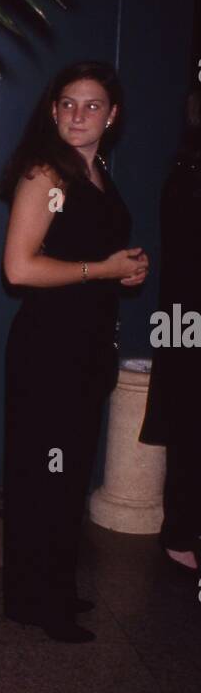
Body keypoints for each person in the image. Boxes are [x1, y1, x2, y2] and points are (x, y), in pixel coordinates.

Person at [0, 61, 148, 642]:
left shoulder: (95, 171)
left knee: (65, 475)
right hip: (49, 350)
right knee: (44, 476)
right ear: (52, 110)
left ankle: (51, 588)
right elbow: (18, 268)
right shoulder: (46, 175)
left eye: (91, 106)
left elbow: (86, 250)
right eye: (67, 103)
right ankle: (37, 600)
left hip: (83, 345)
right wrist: (100, 270)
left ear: (112, 117)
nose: (77, 115)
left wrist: (123, 272)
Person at [139, 92, 201, 577]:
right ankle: (181, 533)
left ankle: (182, 531)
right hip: (189, 321)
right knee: (189, 423)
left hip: (185, 320)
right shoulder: (189, 175)